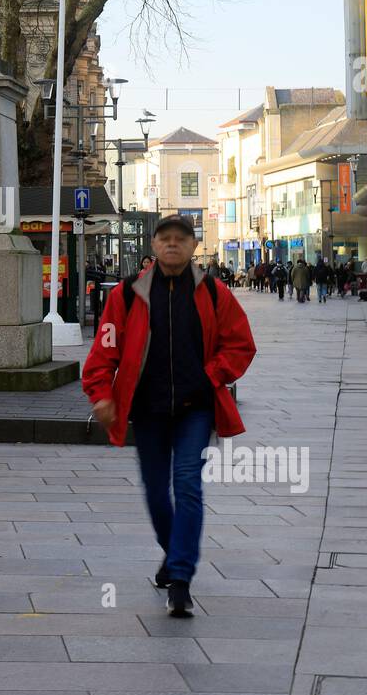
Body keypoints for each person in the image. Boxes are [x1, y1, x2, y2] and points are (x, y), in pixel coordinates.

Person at [82, 214, 256, 617]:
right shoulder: (127, 295)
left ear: (194, 246)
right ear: (154, 246)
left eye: (181, 239)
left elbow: (241, 344)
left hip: (195, 409)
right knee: (157, 492)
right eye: (165, 238)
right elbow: (103, 354)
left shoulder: (214, 292)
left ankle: (180, 578)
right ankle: (174, 552)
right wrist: (102, 394)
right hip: (148, 411)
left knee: (188, 486)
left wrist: (210, 375)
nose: (173, 244)